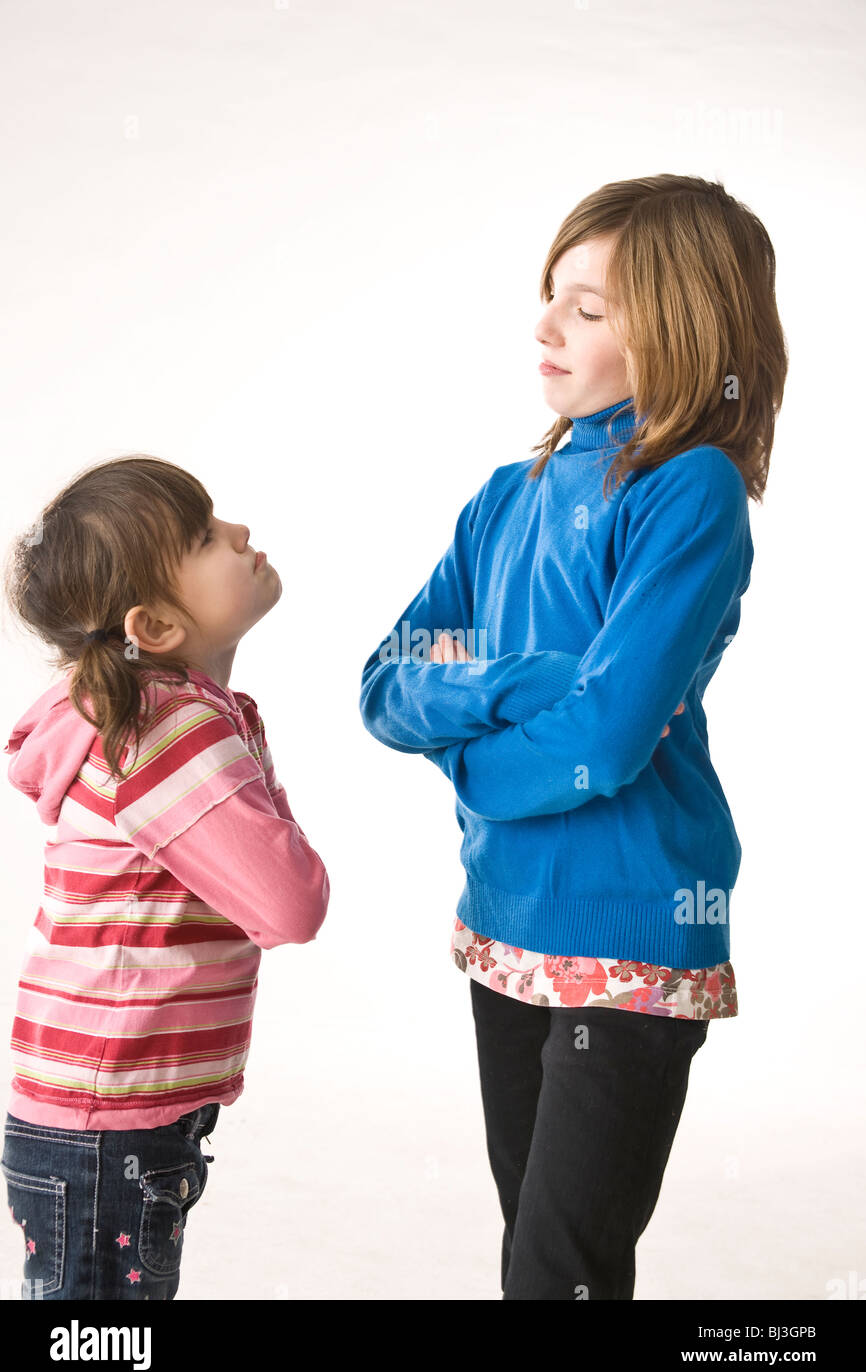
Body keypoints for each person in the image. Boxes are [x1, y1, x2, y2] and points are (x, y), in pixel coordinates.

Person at [359, 174, 787, 1300]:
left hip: (633, 932)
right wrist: (523, 683)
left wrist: (466, 745)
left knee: (562, 1270)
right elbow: (381, 685)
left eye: (588, 309)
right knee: (528, 1251)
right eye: (550, 295)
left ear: (683, 335)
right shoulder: (505, 494)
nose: (545, 325)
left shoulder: (688, 492)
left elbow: (603, 738)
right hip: (501, 918)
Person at [0, 457, 330, 1299]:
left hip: (93, 1118)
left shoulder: (139, 709)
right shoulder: (167, 727)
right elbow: (290, 904)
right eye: (204, 535)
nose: (240, 533)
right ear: (152, 625)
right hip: (109, 1129)